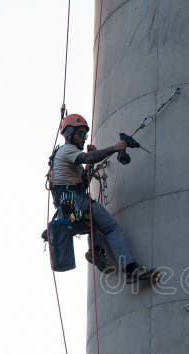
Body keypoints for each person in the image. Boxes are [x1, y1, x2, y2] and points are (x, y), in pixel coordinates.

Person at [50, 113, 151, 281]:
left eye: (86, 135)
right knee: (111, 228)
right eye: (81, 134)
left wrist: (91, 165)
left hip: (70, 213)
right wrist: (114, 148)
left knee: (95, 224)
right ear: (69, 133)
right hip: (76, 203)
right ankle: (131, 269)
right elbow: (87, 158)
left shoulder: (66, 158)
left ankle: (96, 252)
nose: (84, 138)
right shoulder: (68, 150)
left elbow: (83, 182)